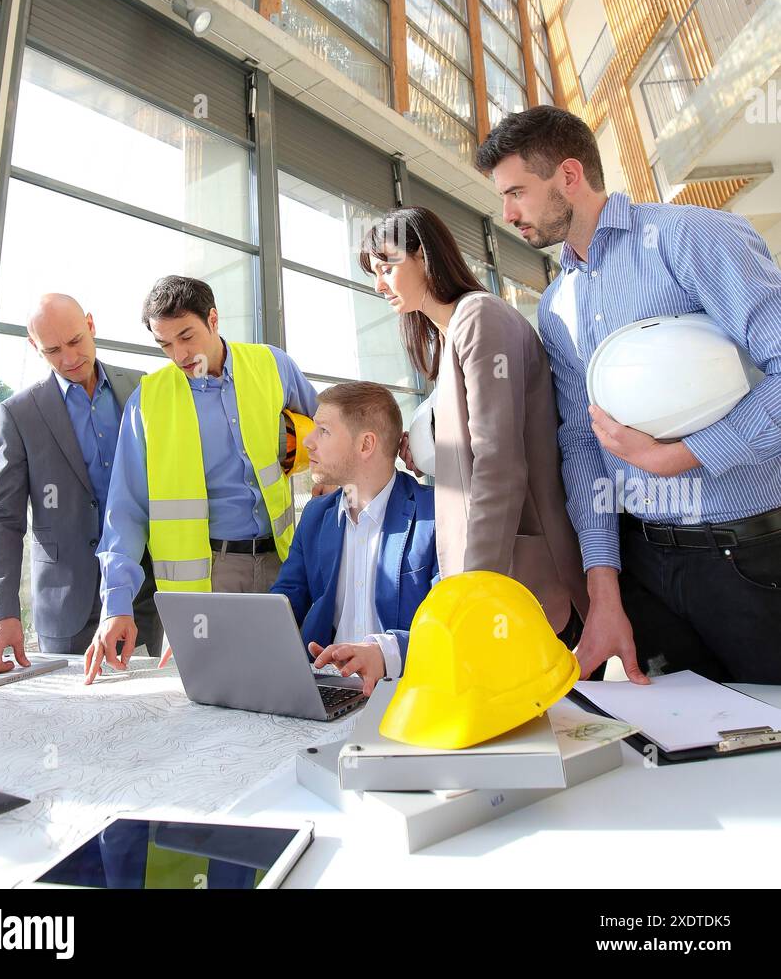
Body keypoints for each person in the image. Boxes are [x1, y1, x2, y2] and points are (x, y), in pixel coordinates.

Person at [477, 104, 781, 685]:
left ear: (569, 175)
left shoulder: (691, 238)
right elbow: (584, 445)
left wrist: (682, 455)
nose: (508, 213)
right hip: (646, 570)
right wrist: (605, 586)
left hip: (750, 561)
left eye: (517, 192)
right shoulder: (557, 304)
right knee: (680, 757)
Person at [359, 208, 589, 655]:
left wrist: (474, 589)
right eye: (374, 272)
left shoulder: (479, 317)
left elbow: (499, 464)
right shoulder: (450, 337)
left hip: (521, 586)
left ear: (423, 256)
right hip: (495, 583)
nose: (378, 284)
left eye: (386, 266)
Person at [84, 276, 317, 683]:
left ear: (213, 319)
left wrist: (310, 458)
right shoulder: (148, 400)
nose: (179, 353)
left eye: (186, 336)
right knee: (219, 703)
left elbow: (328, 427)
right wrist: (116, 604)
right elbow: (124, 510)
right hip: (208, 579)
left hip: (284, 564)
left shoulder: (271, 365)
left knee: (290, 689)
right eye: (165, 344)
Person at [0, 294, 161, 669]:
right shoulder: (19, 414)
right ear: (35, 347)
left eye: (76, 341)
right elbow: (2, 521)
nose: (69, 359)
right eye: (53, 350)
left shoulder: (143, 389)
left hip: (142, 597)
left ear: (91, 326)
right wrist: (0, 613)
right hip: (66, 608)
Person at [271, 381, 438, 696]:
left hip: (408, 693)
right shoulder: (316, 517)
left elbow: (450, 624)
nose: (308, 441)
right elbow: (284, 602)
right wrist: (230, 634)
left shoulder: (436, 515)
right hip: (327, 689)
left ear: (365, 445)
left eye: (323, 431)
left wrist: (383, 654)